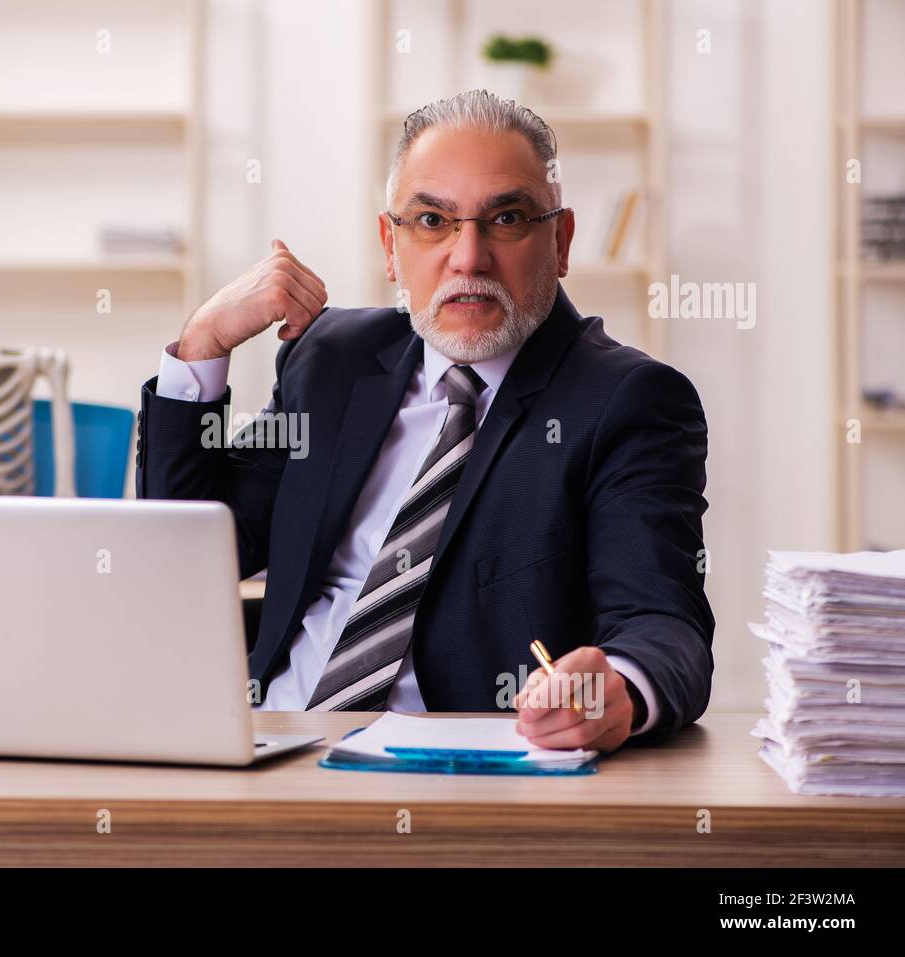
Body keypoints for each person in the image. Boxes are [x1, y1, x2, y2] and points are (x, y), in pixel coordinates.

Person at [136, 90, 713, 751]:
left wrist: (619, 685)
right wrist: (203, 343)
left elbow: (665, 627)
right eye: (434, 220)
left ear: (560, 241)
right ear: (390, 244)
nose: (468, 258)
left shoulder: (628, 400)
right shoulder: (331, 360)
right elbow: (182, 560)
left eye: (508, 218)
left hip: (461, 779)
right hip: (270, 747)